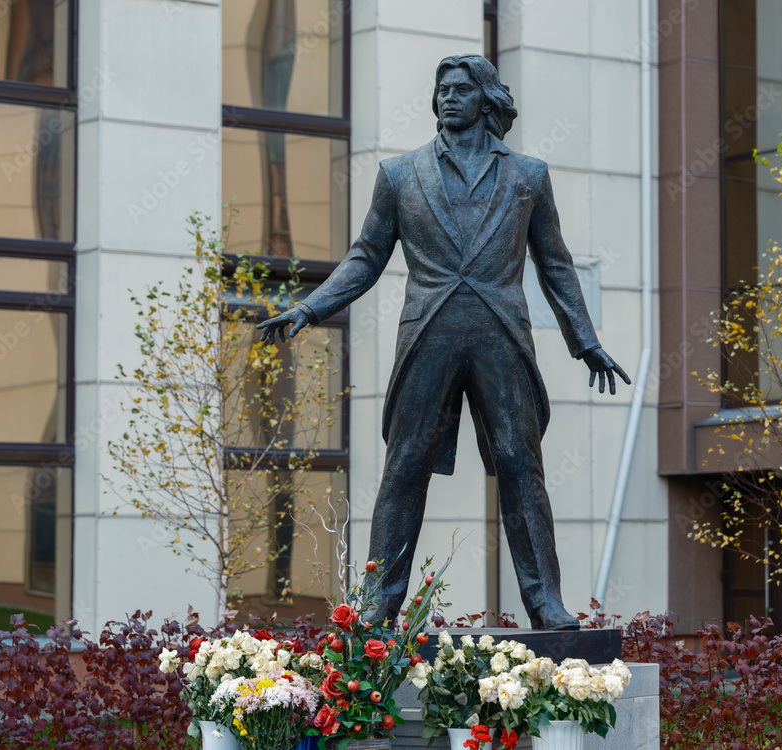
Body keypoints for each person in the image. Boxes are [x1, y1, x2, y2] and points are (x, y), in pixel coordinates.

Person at [257, 54, 630, 630]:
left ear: (486, 99)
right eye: (442, 90)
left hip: (500, 336)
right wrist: (310, 306)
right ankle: (379, 602)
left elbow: (555, 263)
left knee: (519, 464)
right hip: (428, 334)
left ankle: (544, 601)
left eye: (461, 89)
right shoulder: (400, 175)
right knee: (404, 466)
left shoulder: (528, 175)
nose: (448, 98)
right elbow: (365, 257)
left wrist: (585, 341)